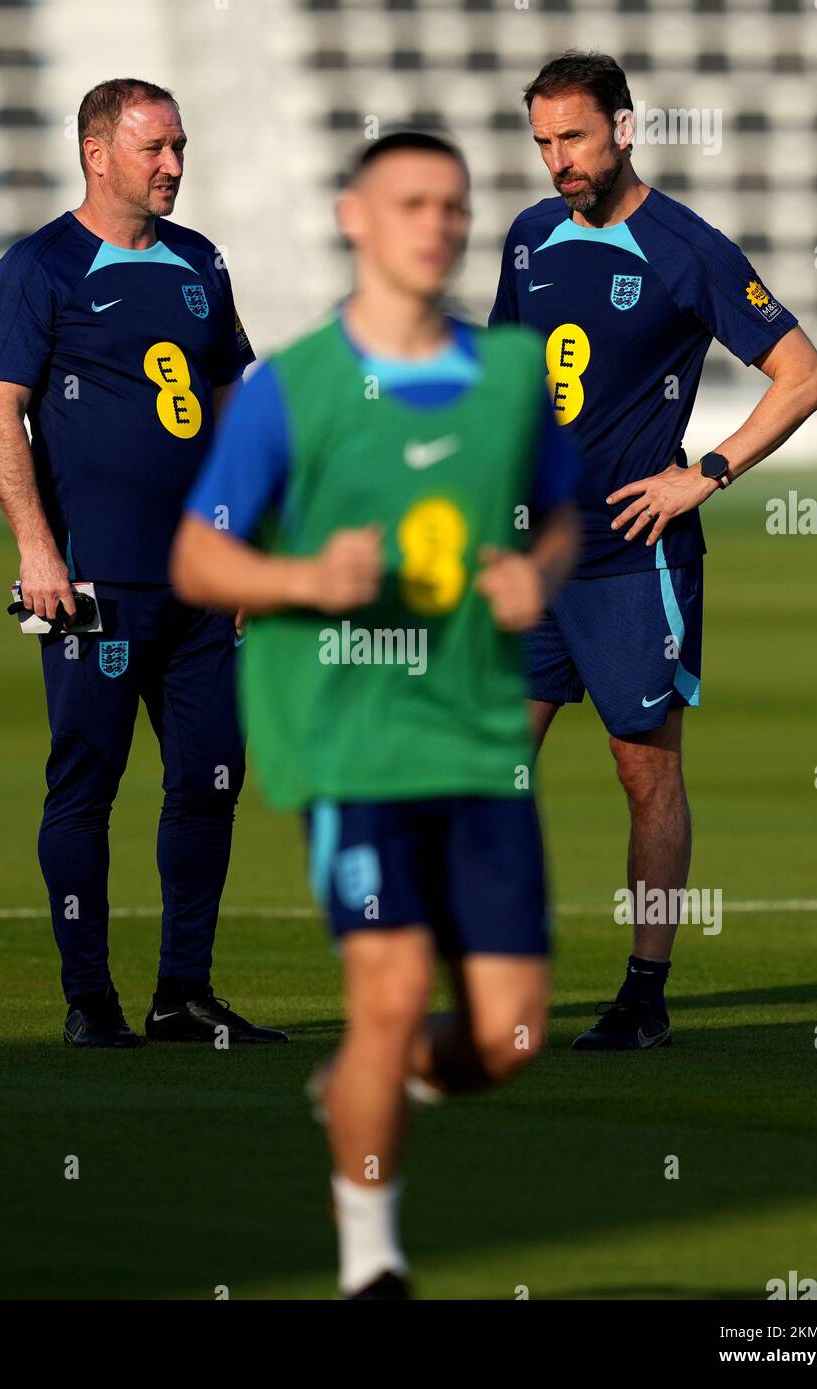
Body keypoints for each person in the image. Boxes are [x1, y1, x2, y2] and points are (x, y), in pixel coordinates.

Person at [171, 131, 579, 1298]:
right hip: (346, 737)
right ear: (355, 216)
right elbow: (200, 558)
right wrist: (304, 581)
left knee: (506, 1038)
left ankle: (365, 1076)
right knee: (392, 994)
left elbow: (558, 514)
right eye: (411, 203)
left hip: (475, 740)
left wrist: (535, 574)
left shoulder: (508, 377)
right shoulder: (290, 386)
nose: (437, 225)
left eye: (453, 207)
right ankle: (373, 1264)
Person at [490, 51, 817, 1051]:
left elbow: (802, 374)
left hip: (636, 559)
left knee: (644, 771)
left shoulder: (687, 248)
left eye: (576, 138)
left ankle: (644, 994)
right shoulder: (527, 239)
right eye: (544, 141)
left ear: (626, 130)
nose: (559, 160)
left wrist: (708, 471)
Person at [0, 77, 287, 1047]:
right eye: (154, 149)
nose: (174, 167)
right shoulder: (39, 269)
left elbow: (236, 398)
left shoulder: (200, 259)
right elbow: (1, 411)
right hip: (94, 584)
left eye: (181, 147)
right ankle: (89, 1000)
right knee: (88, 783)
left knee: (211, 777)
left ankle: (182, 993)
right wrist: (36, 547)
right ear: (97, 153)